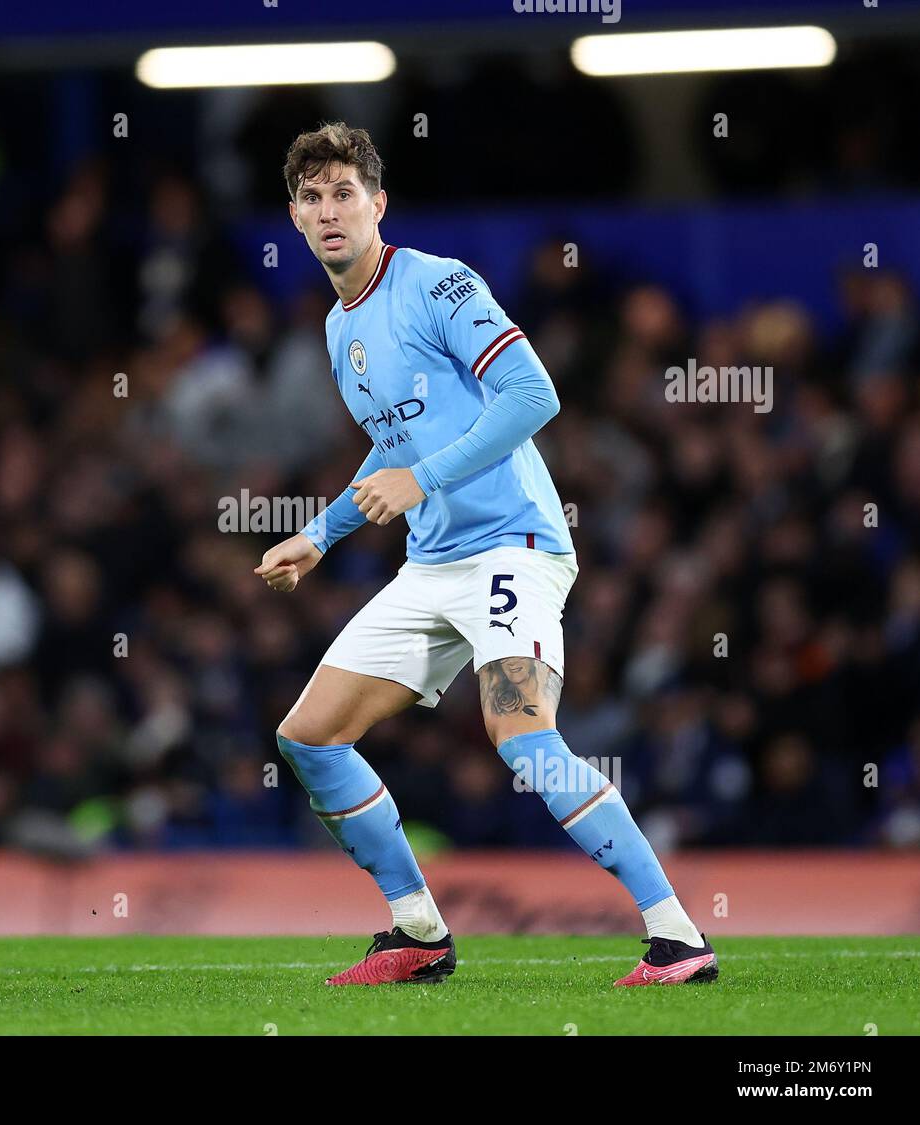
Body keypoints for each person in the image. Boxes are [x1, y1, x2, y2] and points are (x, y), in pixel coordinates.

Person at [255, 122, 718, 988]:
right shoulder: (335, 327)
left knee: (523, 738)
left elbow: (530, 394)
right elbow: (391, 446)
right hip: (431, 567)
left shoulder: (437, 283)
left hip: (514, 546)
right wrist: (320, 535)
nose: (328, 211)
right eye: (312, 197)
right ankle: (419, 932)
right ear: (292, 214)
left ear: (377, 203)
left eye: (343, 193)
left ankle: (677, 938)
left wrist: (420, 480)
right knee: (310, 737)